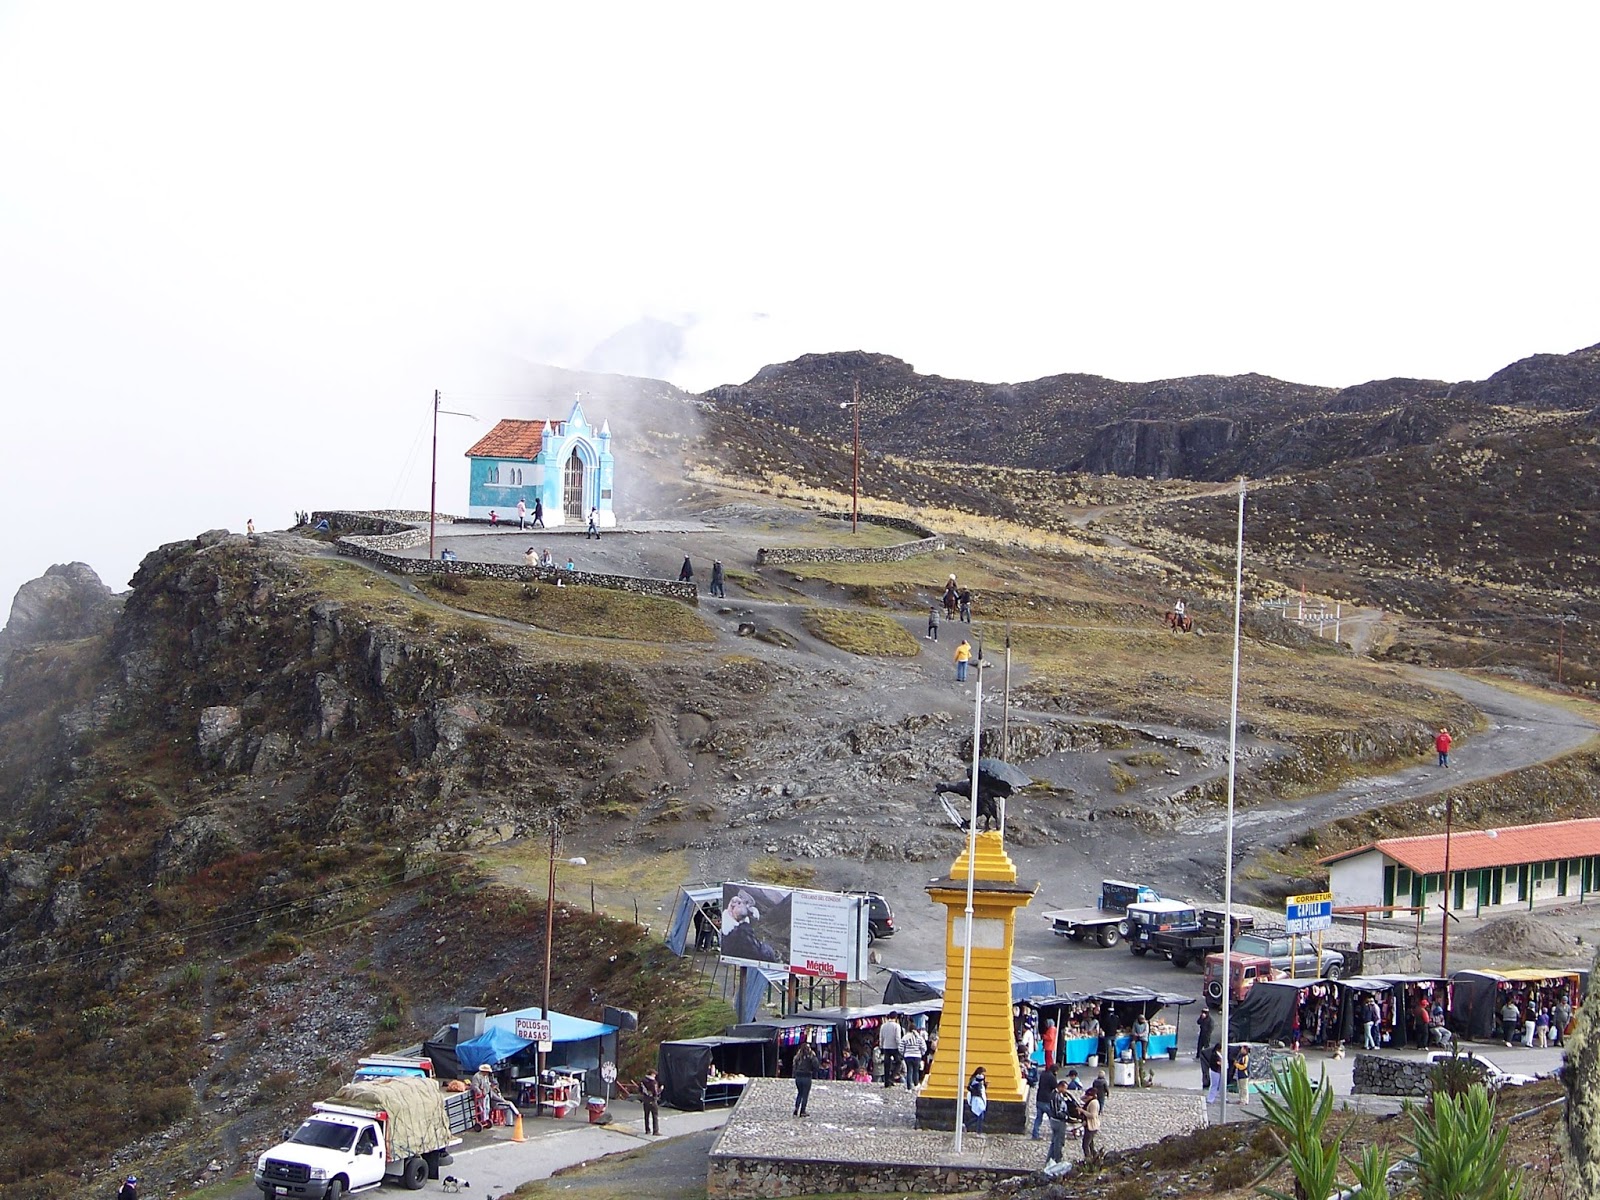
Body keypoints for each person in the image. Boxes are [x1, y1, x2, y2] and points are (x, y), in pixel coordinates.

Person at [1045, 1078, 1076, 1165]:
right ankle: (1057, 1159)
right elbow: (1057, 1111)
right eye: (1065, 1088)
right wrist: (1066, 1117)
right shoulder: (1055, 1096)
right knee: (1059, 1141)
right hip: (1058, 1121)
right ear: (1061, 1087)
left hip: (1055, 1120)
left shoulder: (1056, 1095)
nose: (1066, 1090)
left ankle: (1050, 1159)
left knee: (1054, 1141)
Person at [793, 1041, 821, 1116]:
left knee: (800, 1093)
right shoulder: (811, 1056)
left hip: (798, 1077)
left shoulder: (797, 1057)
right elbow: (816, 1066)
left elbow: (794, 1067)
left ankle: (796, 1108)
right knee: (805, 1094)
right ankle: (802, 1111)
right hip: (807, 1076)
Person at [1030, 1062, 1056, 1139]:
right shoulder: (1052, 1077)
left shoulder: (1043, 1074)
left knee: (1038, 1118)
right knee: (1052, 1118)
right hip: (1047, 1100)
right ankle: (1055, 1134)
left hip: (1039, 1098)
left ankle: (1035, 1134)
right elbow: (1055, 1086)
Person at [878, 1013, 903, 1087]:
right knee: (898, 1062)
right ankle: (891, 1078)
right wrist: (900, 1047)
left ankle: (886, 1082)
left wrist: (881, 1046)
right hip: (894, 1047)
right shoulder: (896, 1026)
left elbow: (881, 1037)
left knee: (887, 1065)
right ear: (895, 1017)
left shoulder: (883, 1026)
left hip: (886, 1047)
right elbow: (898, 1038)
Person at [1079, 1084, 1102, 1162]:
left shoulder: (1093, 1103)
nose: (1086, 1097)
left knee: (1085, 1144)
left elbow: (1092, 1115)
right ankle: (1095, 1157)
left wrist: (1082, 1111)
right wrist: (1085, 1095)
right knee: (1090, 1144)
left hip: (1092, 1126)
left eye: (1088, 1095)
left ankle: (1088, 1159)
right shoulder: (1089, 1101)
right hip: (1088, 1125)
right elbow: (1081, 1098)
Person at [902, 1020, 926, 1090]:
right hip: (917, 1056)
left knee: (909, 1071)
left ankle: (909, 1087)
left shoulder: (905, 1037)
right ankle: (916, 1085)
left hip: (908, 1056)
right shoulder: (919, 1038)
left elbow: (901, 1047)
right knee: (916, 1071)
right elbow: (924, 1047)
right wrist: (921, 1053)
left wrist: (903, 1053)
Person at [639, 1068, 662, 1135]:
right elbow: (656, 1093)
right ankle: (655, 1131)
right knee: (655, 1116)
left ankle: (647, 1130)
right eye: (654, 1075)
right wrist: (660, 1089)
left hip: (645, 1100)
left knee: (646, 1115)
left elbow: (640, 1090)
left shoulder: (642, 1081)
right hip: (652, 1100)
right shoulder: (653, 1082)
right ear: (652, 1074)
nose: (655, 1076)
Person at [966, 1066, 988, 1133]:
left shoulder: (981, 1079)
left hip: (980, 1098)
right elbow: (970, 1088)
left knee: (980, 1116)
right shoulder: (974, 1080)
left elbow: (982, 1087)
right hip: (977, 1099)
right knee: (980, 1116)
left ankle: (966, 1125)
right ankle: (978, 1132)